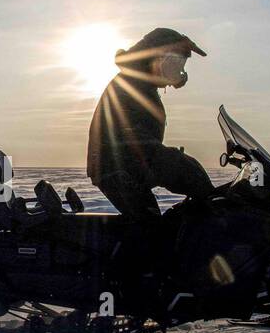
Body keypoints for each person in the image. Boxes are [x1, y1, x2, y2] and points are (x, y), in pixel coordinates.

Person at [86, 27, 214, 217]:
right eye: (174, 64)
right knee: (154, 234)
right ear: (156, 58)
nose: (178, 71)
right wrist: (184, 170)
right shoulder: (131, 86)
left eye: (181, 65)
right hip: (116, 170)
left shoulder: (142, 83)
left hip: (125, 167)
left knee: (166, 223)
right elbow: (138, 144)